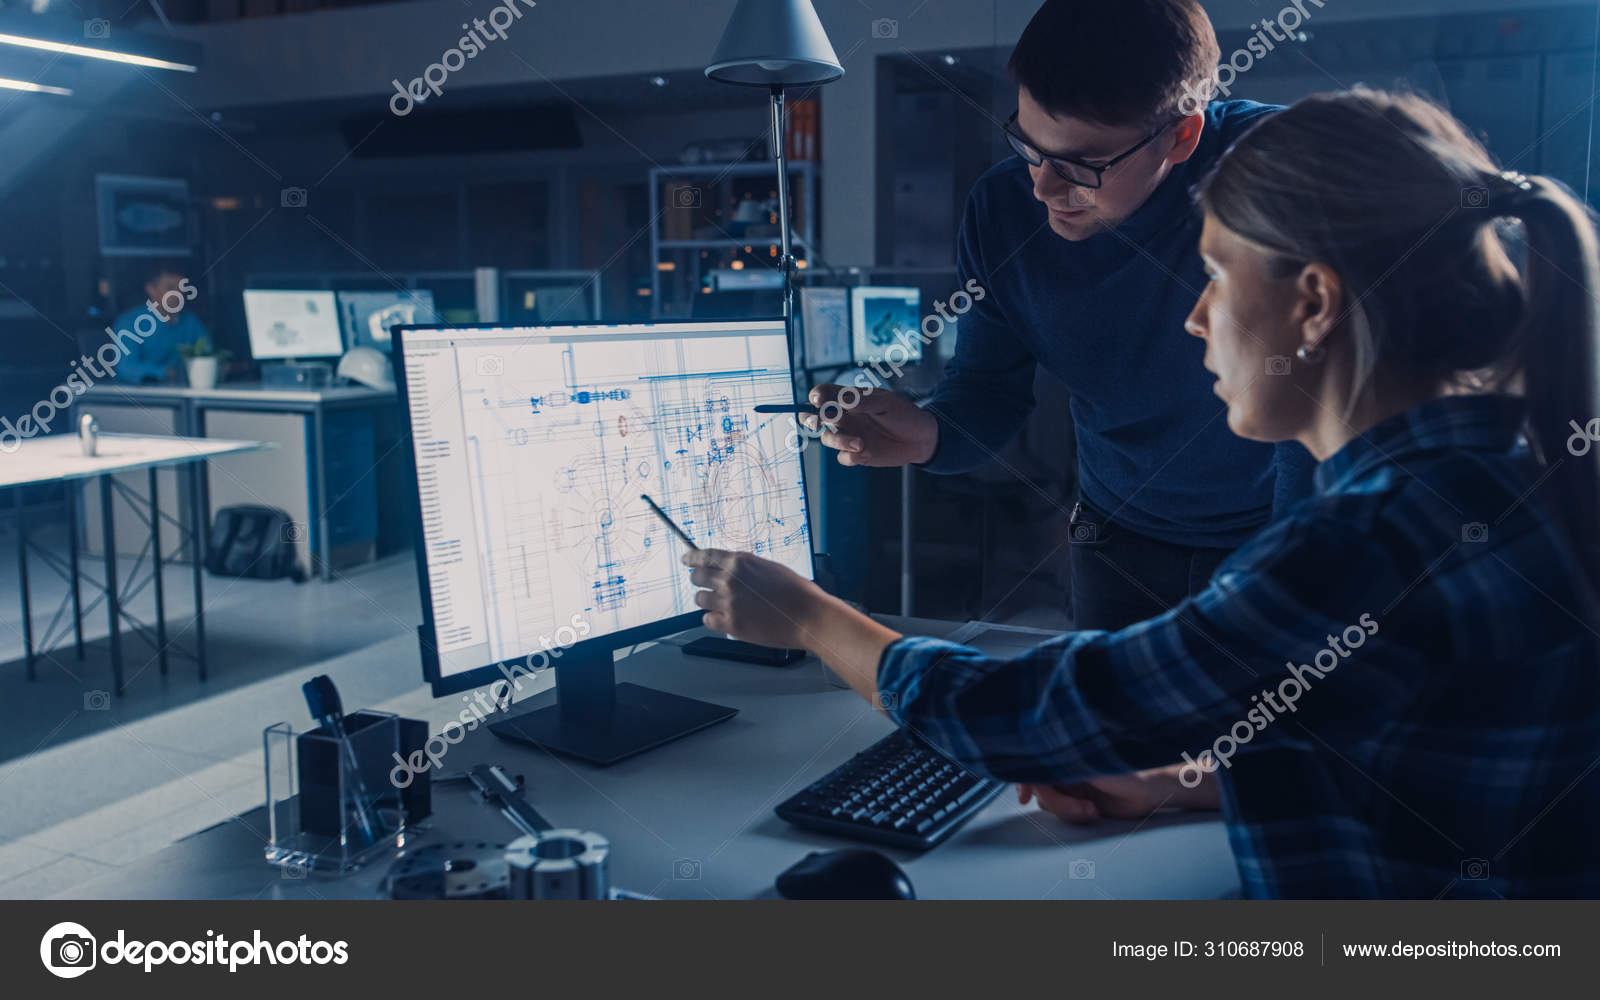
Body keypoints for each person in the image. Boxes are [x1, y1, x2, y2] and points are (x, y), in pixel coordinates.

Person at [682, 89, 1600, 898]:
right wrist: (1186, 781)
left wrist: (806, 616)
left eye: (1215, 277)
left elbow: (1029, 719)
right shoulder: (1507, 469)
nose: (1195, 318)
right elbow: (1394, 751)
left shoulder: (1371, 539)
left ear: (1315, 304)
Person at [803, 0, 1314, 634]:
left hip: (1283, 532)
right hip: (1116, 537)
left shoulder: (1289, 172)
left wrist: (1301, 567)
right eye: (1029, 145)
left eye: (1082, 164)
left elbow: (1323, 397)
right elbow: (987, 387)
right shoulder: (1002, 211)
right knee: (1108, 724)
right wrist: (930, 434)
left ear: (1182, 135)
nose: (1043, 188)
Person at [110, 259, 206, 384]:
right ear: (151, 289)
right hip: (138, 398)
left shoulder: (191, 322)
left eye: (181, 288)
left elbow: (208, 355)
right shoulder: (129, 323)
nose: (178, 294)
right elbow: (125, 367)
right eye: (170, 288)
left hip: (182, 397)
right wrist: (166, 372)